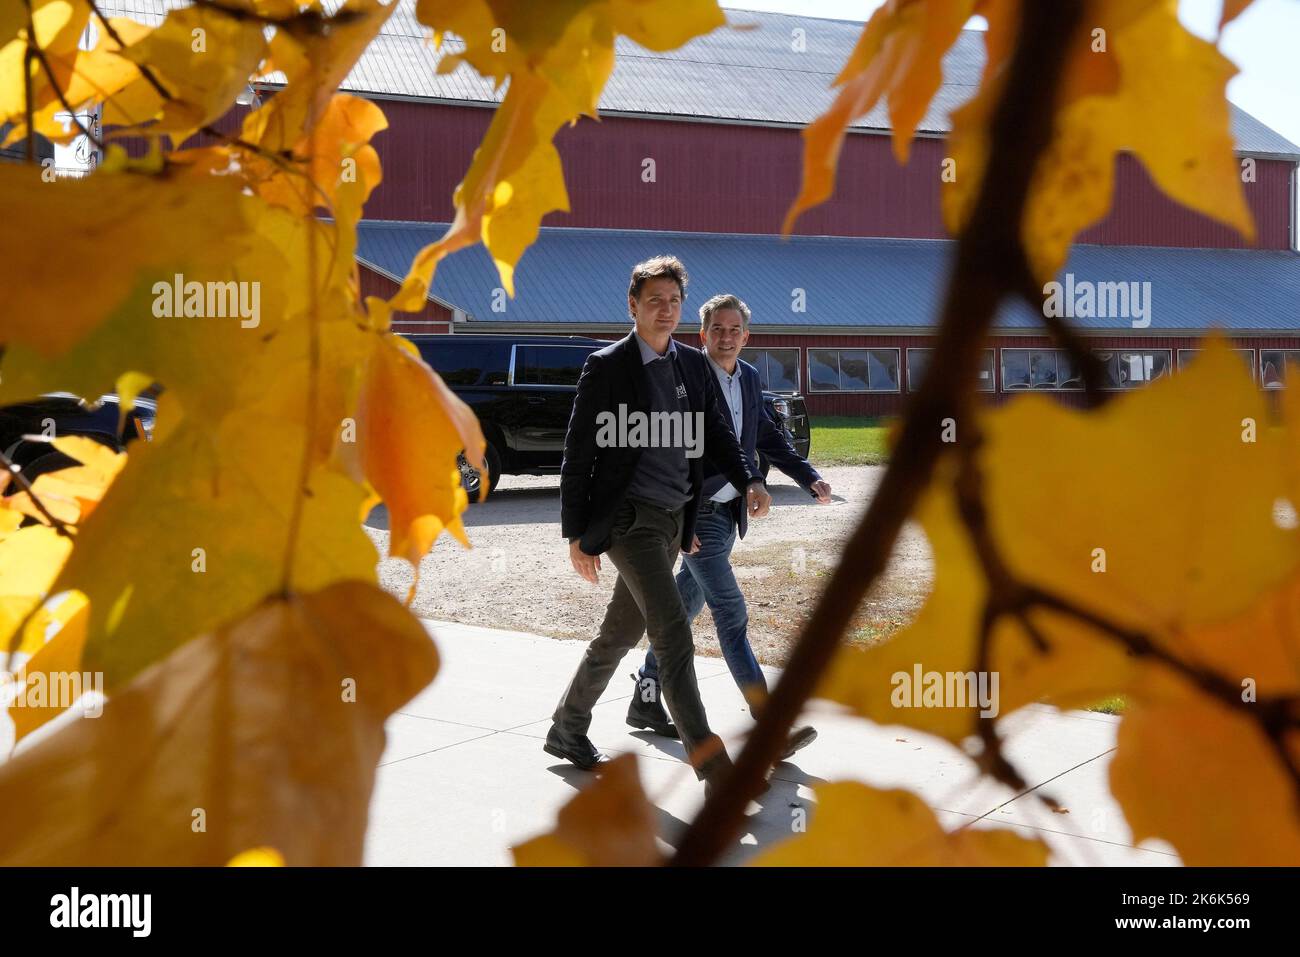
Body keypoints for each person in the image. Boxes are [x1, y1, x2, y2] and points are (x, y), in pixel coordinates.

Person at [546, 256, 773, 798]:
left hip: (673, 521)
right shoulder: (608, 366)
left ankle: (566, 728)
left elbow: (716, 434)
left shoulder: (693, 367)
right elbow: (578, 455)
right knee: (672, 634)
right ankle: (715, 768)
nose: (665, 310)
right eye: (654, 301)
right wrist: (576, 534)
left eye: (673, 301)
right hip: (629, 522)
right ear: (633, 305)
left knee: (621, 632)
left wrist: (749, 480)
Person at [627, 293, 833, 760]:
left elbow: (765, 434)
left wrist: (808, 476)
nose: (725, 337)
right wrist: (680, 517)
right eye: (716, 329)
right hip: (695, 514)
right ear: (702, 335)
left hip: (726, 513)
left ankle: (644, 698)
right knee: (730, 613)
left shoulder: (751, 378)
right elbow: (668, 451)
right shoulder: (682, 376)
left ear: (746, 335)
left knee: (681, 608)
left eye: (734, 329)